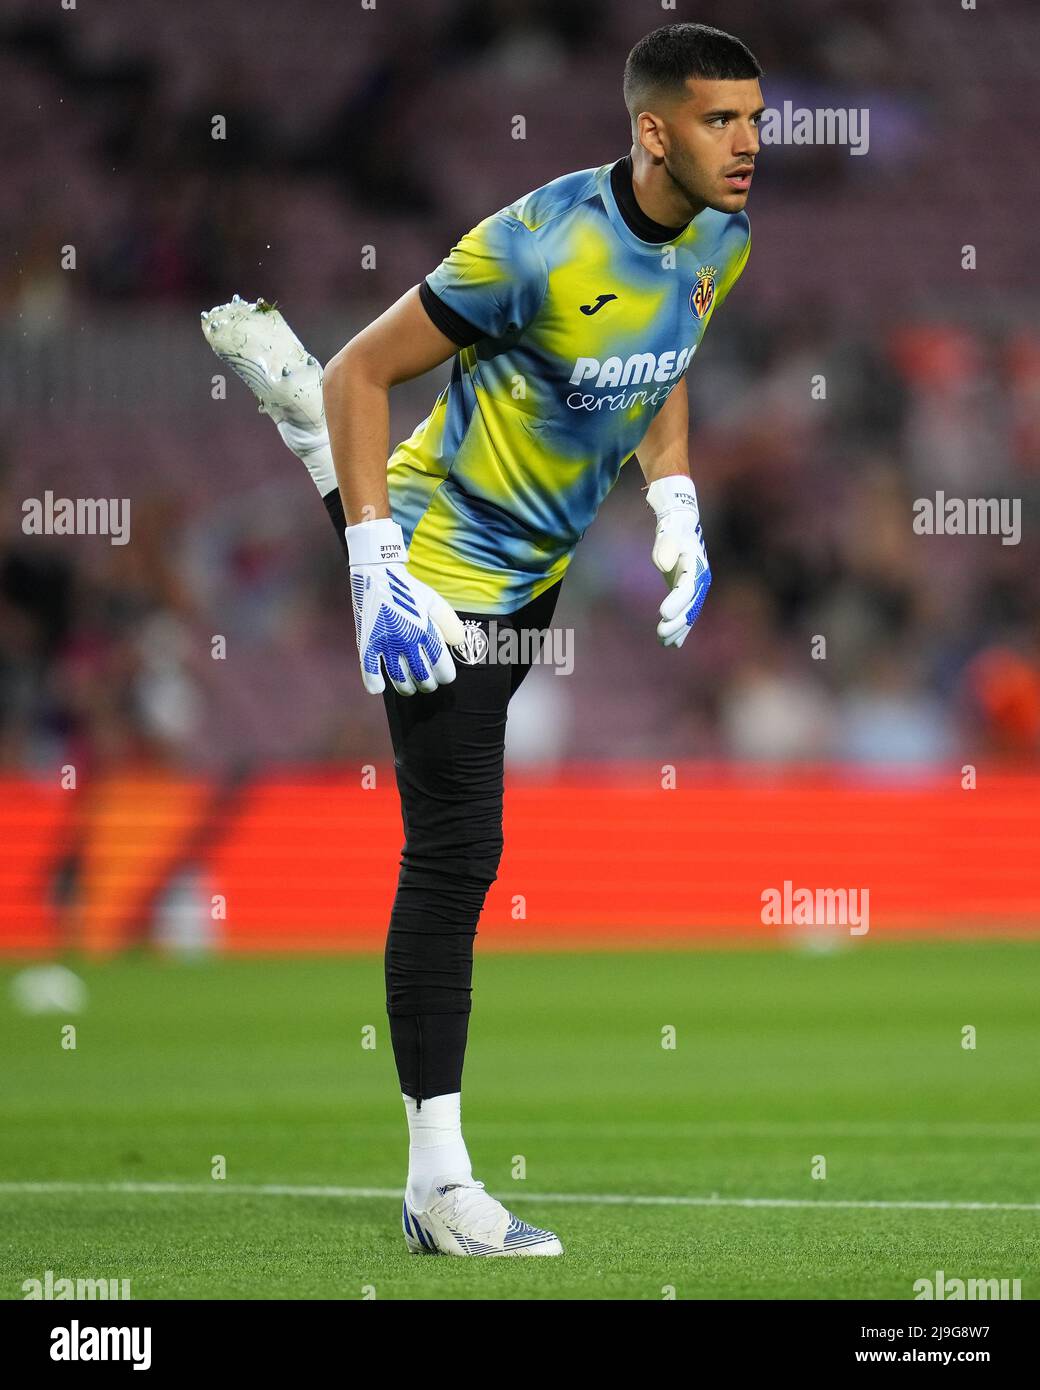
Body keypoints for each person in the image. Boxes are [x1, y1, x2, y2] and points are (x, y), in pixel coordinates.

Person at [204, 21, 762, 1258]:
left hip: (533, 577)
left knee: (463, 838)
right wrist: (370, 568)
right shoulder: (534, 243)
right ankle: (437, 1183)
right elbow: (363, 369)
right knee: (456, 853)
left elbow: (667, 349)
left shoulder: (719, 234)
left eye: (756, 120)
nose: (748, 145)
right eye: (721, 121)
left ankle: (310, 448)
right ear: (651, 129)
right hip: (436, 566)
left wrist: (672, 496)